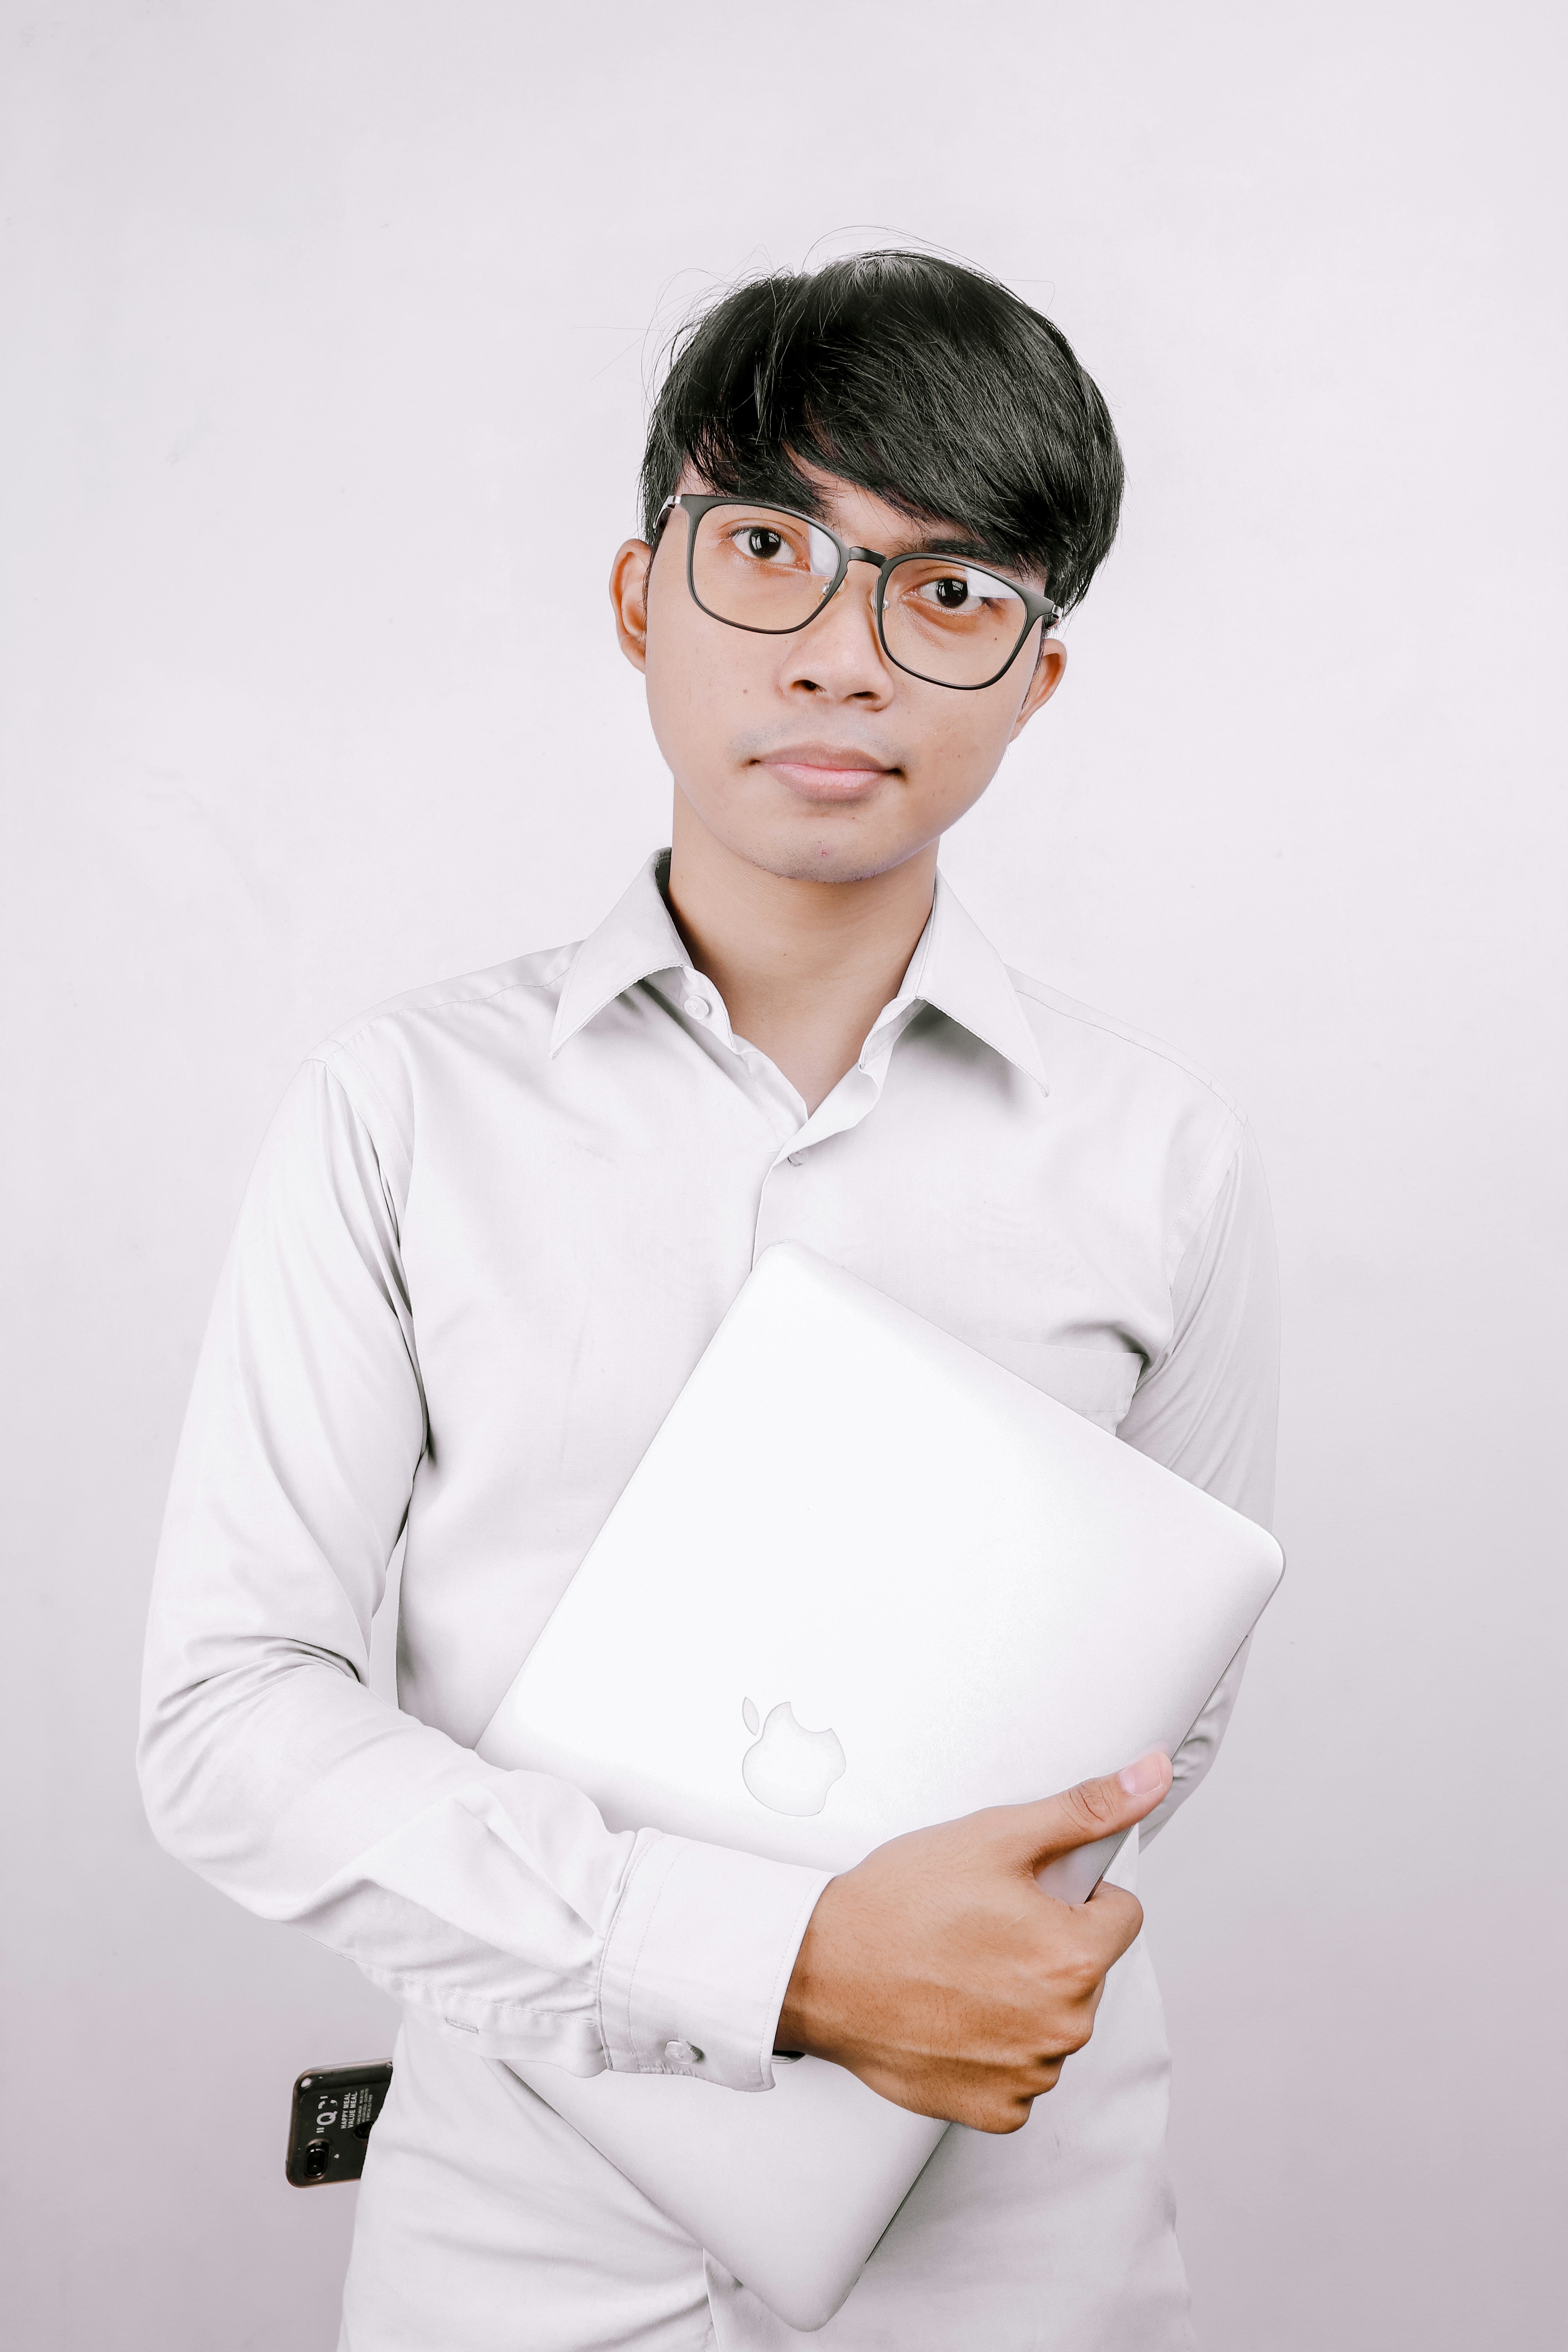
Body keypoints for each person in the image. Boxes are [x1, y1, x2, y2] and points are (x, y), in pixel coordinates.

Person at [139, 250, 1279, 2351]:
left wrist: (939, 1956)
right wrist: (773, 1957)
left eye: (947, 593)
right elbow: (230, 1719)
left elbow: (1160, 1717)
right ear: (638, 596)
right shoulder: (400, 1109)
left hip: (1016, 2247)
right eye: (769, 548)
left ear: (1035, 680)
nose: (847, 658)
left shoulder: (1159, 1157)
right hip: (516, 2241)